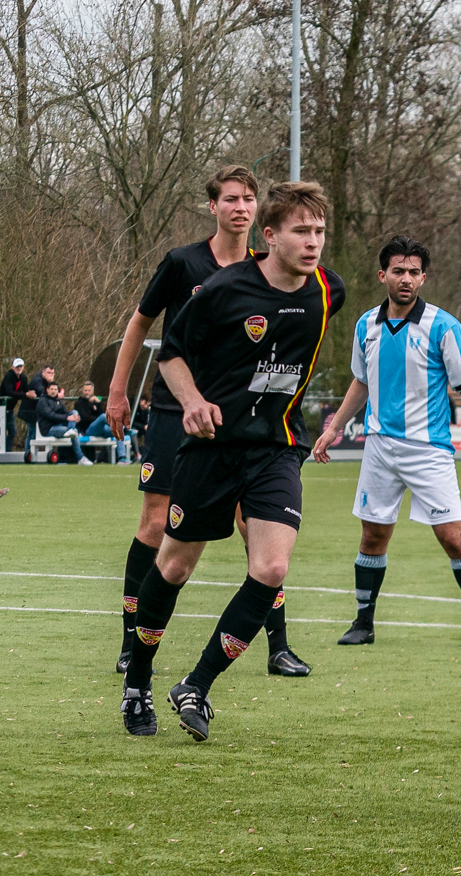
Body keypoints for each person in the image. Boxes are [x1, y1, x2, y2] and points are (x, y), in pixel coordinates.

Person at [120, 181, 345, 740]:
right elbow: (169, 353)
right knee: (173, 567)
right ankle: (138, 681)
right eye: (301, 231)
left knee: (270, 569)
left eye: (319, 231)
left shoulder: (328, 289)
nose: (314, 242)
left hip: (277, 448)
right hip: (211, 449)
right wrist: (193, 402)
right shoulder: (222, 290)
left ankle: (195, 684)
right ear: (269, 237)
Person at [106, 165, 311, 678]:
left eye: (248, 199)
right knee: (158, 524)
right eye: (230, 199)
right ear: (213, 207)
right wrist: (118, 389)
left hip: (245, 423)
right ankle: (134, 641)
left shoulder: (276, 268)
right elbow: (142, 323)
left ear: (259, 215)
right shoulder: (183, 263)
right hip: (180, 410)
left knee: (259, 532)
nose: (239, 207)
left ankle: (278, 645)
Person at [312, 235, 461, 648]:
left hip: (429, 450)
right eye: (398, 271)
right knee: (373, 536)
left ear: (423, 278)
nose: (406, 278)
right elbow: (361, 382)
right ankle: (363, 623)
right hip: (380, 449)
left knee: (452, 537)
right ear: (383, 275)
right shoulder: (366, 324)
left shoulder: (443, 326)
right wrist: (332, 429)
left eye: (414, 272)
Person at [37, 383, 91, 465]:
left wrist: (75, 418)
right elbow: (50, 415)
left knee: (74, 412)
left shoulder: (58, 401)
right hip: (49, 429)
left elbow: (67, 413)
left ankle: (71, 429)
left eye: (55, 390)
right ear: (47, 390)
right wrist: (67, 418)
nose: (53, 391)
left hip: (60, 427)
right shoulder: (42, 401)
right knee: (74, 432)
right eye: (51, 389)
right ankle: (81, 457)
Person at [20, 364, 52, 458]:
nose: (51, 375)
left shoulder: (44, 381)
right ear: (43, 372)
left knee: (32, 432)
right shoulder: (37, 380)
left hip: (34, 412)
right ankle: (28, 453)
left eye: (52, 373)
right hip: (29, 412)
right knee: (32, 432)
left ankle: (28, 453)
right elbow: (42, 391)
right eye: (48, 372)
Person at [2, 358, 26, 451]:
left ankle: (6, 452)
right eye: (17, 366)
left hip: (10, 409)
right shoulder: (8, 377)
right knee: (2, 432)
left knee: (12, 432)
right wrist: (25, 395)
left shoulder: (23, 378)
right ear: (12, 367)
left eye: (20, 366)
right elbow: (9, 392)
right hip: (2, 408)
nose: (19, 368)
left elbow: (25, 389)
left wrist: (31, 393)